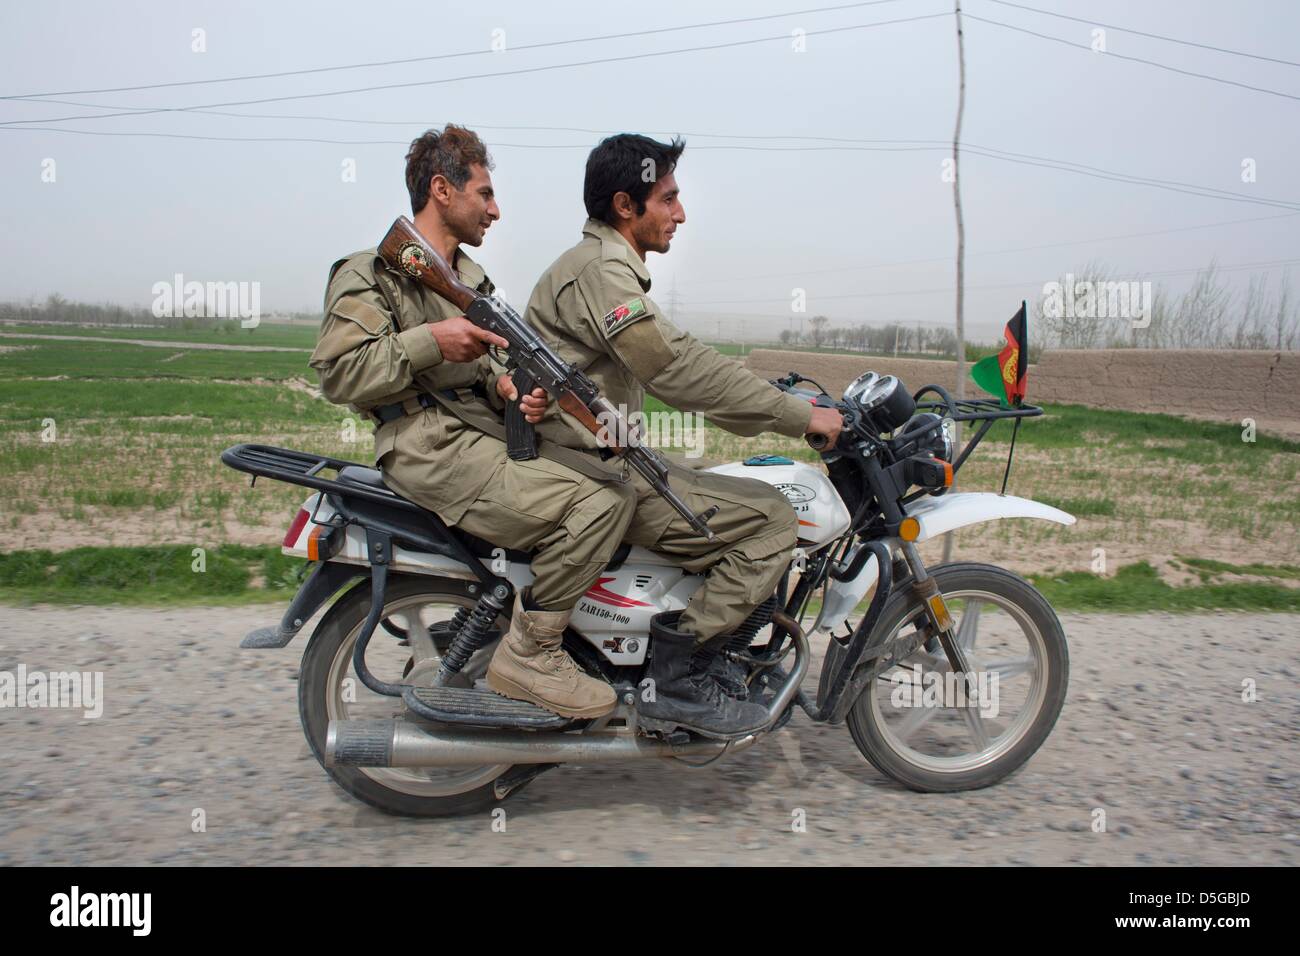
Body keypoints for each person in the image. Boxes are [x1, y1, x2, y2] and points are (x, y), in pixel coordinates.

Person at [521, 134, 842, 739]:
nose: (681, 213)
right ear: (625, 205)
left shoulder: (597, 266)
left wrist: (775, 398)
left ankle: (711, 659)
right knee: (773, 520)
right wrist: (800, 417)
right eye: (667, 199)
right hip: (593, 470)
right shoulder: (602, 270)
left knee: (725, 486)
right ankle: (679, 677)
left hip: (601, 456)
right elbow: (673, 368)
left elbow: (674, 360)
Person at [309, 125, 636, 720]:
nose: (495, 209)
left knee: (614, 483)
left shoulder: (473, 283)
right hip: (424, 443)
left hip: (474, 434)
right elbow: (341, 374)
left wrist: (511, 388)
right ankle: (533, 655)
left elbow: (486, 370)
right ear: (441, 190)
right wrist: (434, 340)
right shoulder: (370, 273)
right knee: (597, 508)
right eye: (483, 194)